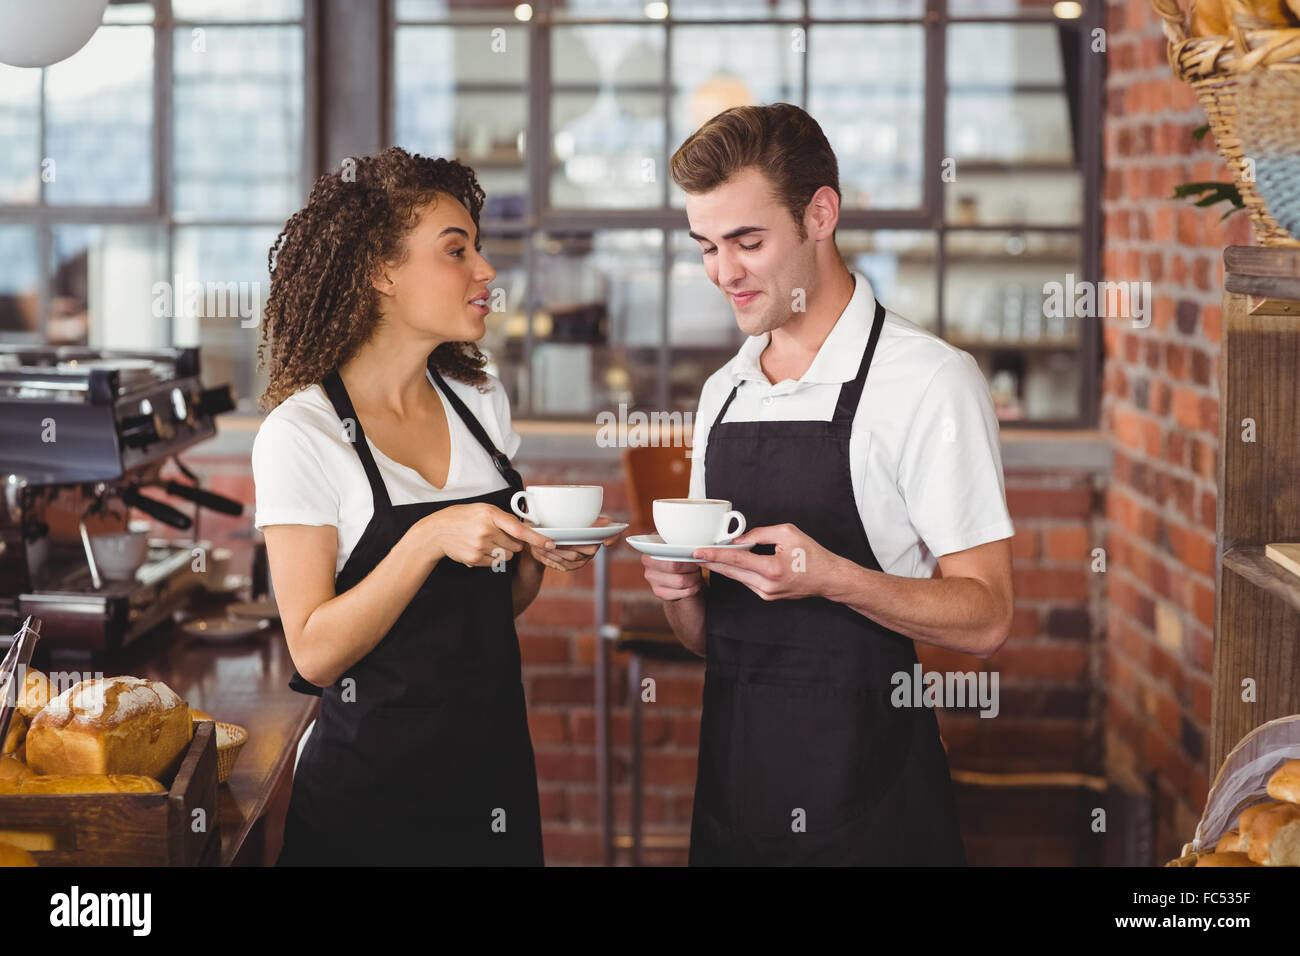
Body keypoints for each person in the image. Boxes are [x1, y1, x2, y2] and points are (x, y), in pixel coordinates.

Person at [644, 104, 1017, 865]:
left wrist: (834, 577)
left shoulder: (929, 381)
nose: (724, 272)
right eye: (708, 247)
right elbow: (715, 641)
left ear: (821, 214)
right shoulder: (725, 391)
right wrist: (680, 591)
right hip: (732, 801)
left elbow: (986, 617)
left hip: (872, 809)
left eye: (749, 242)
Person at [252, 147, 617, 865]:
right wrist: (426, 539)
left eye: (478, 249)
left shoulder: (479, 403)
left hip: (493, 783)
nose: (486, 271)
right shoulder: (303, 433)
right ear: (381, 272)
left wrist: (538, 556)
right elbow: (316, 653)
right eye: (457, 251)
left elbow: (481, 613)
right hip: (370, 804)